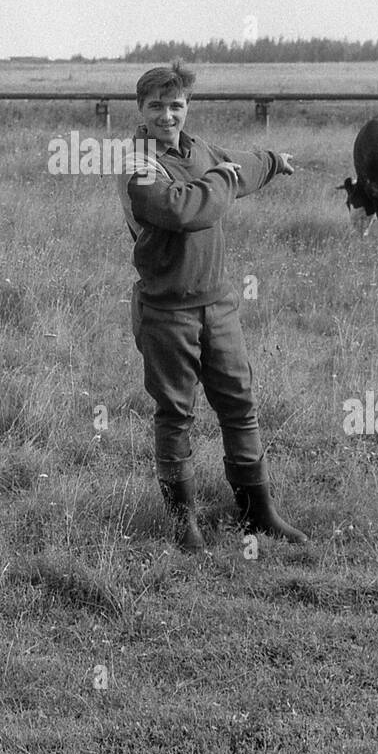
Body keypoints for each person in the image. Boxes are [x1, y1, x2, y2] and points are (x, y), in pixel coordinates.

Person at [116, 62, 307, 551]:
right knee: (176, 414)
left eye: (176, 105)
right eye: (156, 106)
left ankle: (257, 513)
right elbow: (183, 210)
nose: (167, 115)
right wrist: (224, 179)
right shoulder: (138, 164)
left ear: (188, 108)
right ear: (140, 109)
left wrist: (273, 159)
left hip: (219, 306)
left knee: (240, 406)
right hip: (167, 310)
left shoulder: (202, 150)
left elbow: (243, 165)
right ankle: (186, 528)